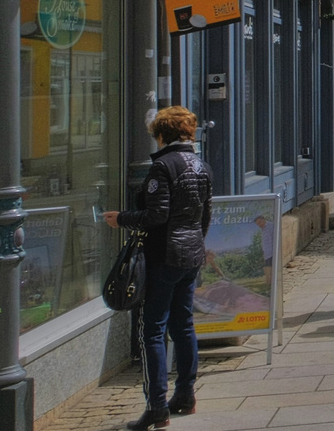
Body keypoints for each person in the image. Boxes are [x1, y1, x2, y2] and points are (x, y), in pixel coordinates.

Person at [104, 106, 213, 430]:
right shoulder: (202, 166)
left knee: (151, 329)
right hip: (191, 254)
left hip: (164, 255)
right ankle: (185, 395)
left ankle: (156, 407)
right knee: (183, 326)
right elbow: (205, 216)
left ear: (162, 134)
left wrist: (120, 218)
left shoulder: (163, 167)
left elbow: (157, 216)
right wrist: (196, 245)